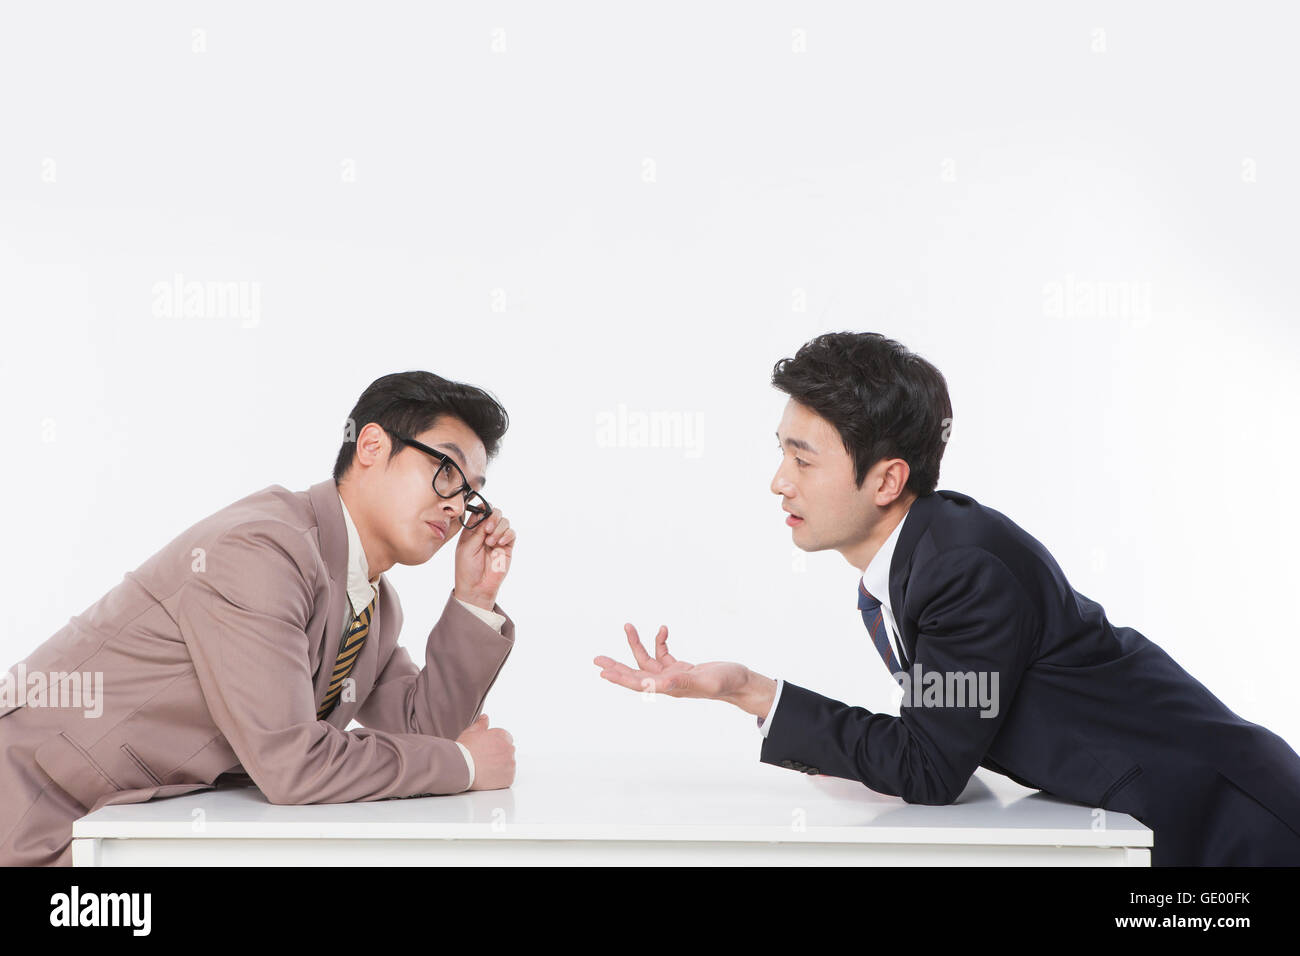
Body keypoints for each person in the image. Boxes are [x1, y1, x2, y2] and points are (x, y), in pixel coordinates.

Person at [594, 331, 1300, 866]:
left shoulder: (962, 569)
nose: (779, 482)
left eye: (803, 459)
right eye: (782, 452)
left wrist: (750, 690)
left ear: (886, 478)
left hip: (1235, 831)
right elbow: (940, 743)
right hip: (1154, 827)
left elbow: (929, 766)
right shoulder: (912, 566)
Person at [0, 370, 518, 866]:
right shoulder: (264, 549)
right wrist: (465, 766)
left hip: (117, 830)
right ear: (372, 446)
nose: (457, 507)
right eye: (445, 471)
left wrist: (473, 598)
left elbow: (421, 729)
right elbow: (292, 766)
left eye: (470, 492)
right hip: (33, 813)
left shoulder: (374, 604)